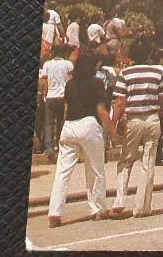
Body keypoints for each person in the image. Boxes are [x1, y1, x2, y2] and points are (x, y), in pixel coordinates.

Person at [47, 55, 116, 227]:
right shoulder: (96, 83)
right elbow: (101, 111)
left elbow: (65, 110)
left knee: (62, 172)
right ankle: (98, 208)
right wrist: (113, 132)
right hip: (89, 124)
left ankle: (54, 213)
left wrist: (62, 130)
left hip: (69, 125)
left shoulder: (70, 84)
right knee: (95, 169)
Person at [110, 43, 163, 218]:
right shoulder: (157, 73)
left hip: (133, 120)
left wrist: (113, 125)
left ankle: (120, 200)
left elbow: (120, 102)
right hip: (152, 119)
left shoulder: (125, 73)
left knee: (126, 160)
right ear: (149, 55)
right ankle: (142, 206)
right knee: (148, 162)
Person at [39, 44, 73, 160]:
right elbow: (70, 80)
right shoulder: (68, 64)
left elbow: (43, 80)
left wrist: (44, 93)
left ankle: (49, 147)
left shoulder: (47, 64)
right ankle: (60, 145)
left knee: (48, 123)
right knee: (61, 123)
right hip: (62, 96)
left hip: (50, 96)